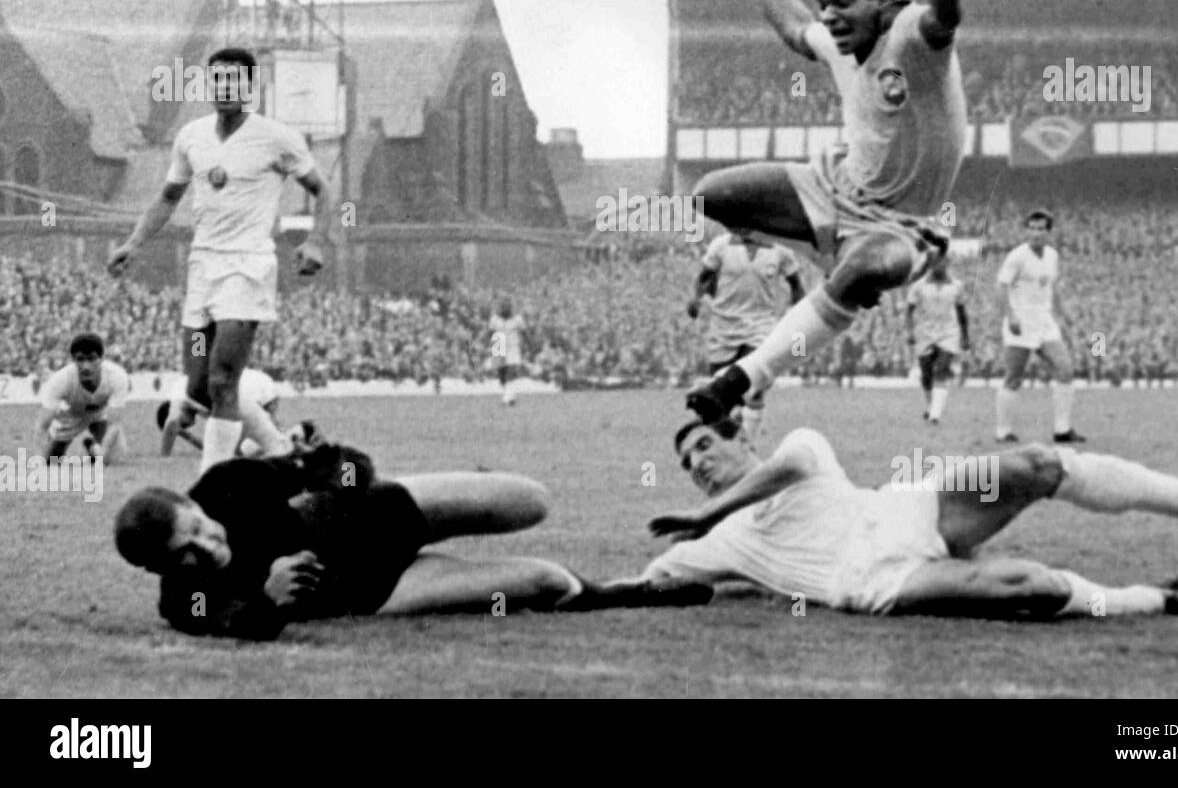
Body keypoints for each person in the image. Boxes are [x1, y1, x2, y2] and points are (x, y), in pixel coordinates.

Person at [685, 0, 967, 426]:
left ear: (883, 0)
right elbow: (795, 26)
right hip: (834, 189)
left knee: (865, 269)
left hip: (903, 224)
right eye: (824, 4)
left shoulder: (906, 35)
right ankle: (834, 263)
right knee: (711, 193)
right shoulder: (840, 44)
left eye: (843, 2)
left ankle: (743, 380)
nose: (830, 15)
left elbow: (942, 20)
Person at [633, 417, 1178, 619]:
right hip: (873, 580)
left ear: (743, 438)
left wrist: (704, 511)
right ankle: (1162, 599)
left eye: (706, 447)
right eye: (688, 463)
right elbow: (652, 581)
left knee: (1037, 464)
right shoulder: (714, 542)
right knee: (1032, 589)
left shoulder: (797, 453)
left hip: (908, 510)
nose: (699, 464)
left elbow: (793, 459)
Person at [113, 431, 711, 640]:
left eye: (200, 529)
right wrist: (268, 598)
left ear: (192, 501)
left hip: (374, 517)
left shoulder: (226, 483)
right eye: (187, 555)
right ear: (159, 571)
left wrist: (342, 478)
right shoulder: (184, 602)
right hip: (375, 586)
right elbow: (242, 625)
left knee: (531, 500)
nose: (208, 548)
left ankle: (452, 509)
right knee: (545, 582)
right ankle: (632, 590)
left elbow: (335, 462)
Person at [108, 48, 330, 473]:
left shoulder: (278, 138)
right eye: (218, 80)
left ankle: (212, 481)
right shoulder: (192, 136)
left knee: (225, 378)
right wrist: (133, 243)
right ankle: (279, 448)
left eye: (235, 80)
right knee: (199, 386)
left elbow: (323, 190)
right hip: (202, 268)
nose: (226, 88)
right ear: (209, 86)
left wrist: (315, 240)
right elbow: (168, 198)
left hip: (247, 267)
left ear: (251, 87)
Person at [687, 228, 804, 441]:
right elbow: (703, 277)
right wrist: (695, 299)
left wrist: (799, 314)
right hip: (724, 327)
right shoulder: (721, 246)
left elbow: (796, 285)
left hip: (761, 327)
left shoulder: (780, 250)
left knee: (754, 386)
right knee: (719, 399)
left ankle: (748, 445)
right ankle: (726, 436)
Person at [994, 210, 1084, 444]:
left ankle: (1062, 430)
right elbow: (1002, 287)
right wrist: (1010, 315)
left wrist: (1064, 314)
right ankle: (1003, 431)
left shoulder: (1052, 256)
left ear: (1048, 232)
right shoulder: (1017, 256)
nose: (1036, 233)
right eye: (1031, 228)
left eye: (1041, 228)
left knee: (1065, 369)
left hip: (1044, 322)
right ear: (1026, 230)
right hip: (1021, 323)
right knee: (1014, 376)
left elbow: (1052, 288)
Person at [33, 333, 130, 463]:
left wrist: (102, 457)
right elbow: (41, 426)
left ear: (102, 359)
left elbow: (114, 424)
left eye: (91, 359)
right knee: (52, 460)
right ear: (73, 360)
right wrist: (40, 461)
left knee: (117, 459)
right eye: (80, 359)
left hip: (100, 414)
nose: (85, 366)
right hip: (70, 416)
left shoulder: (117, 377)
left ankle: (92, 448)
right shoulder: (60, 380)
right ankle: (59, 442)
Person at [157, 367, 288, 458]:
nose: (188, 427)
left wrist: (164, 457)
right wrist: (184, 434)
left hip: (258, 390)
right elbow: (211, 446)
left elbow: (172, 421)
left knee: (268, 443)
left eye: (183, 425)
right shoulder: (198, 405)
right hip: (254, 390)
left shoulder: (180, 393)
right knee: (267, 442)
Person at [905, 255, 969, 424]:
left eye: (942, 261)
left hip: (948, 333)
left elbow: (962, 313)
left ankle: (935, 415)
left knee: (941, 369)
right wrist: (910, 331)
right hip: (925, 333)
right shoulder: (919, 286)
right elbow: (909, 311)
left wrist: (965, 336)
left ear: (947, 263)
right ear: (930, 264)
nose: (938, 265)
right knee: (926, 373)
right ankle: (931, 406)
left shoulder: (957, 286)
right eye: (935, 262)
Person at [488, 298, 525, 405]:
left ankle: (507, 398)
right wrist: (489, 345)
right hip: (498, 343)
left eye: (507, 306)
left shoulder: (517, 319)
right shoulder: (494, 319)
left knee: (511, 370)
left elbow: (524, 332)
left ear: (510, 308)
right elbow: (490, 332)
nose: (504, 309)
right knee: (501, 374)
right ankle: (510, 394)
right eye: (502, 306)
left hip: (512, 346)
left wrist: (530, 343)